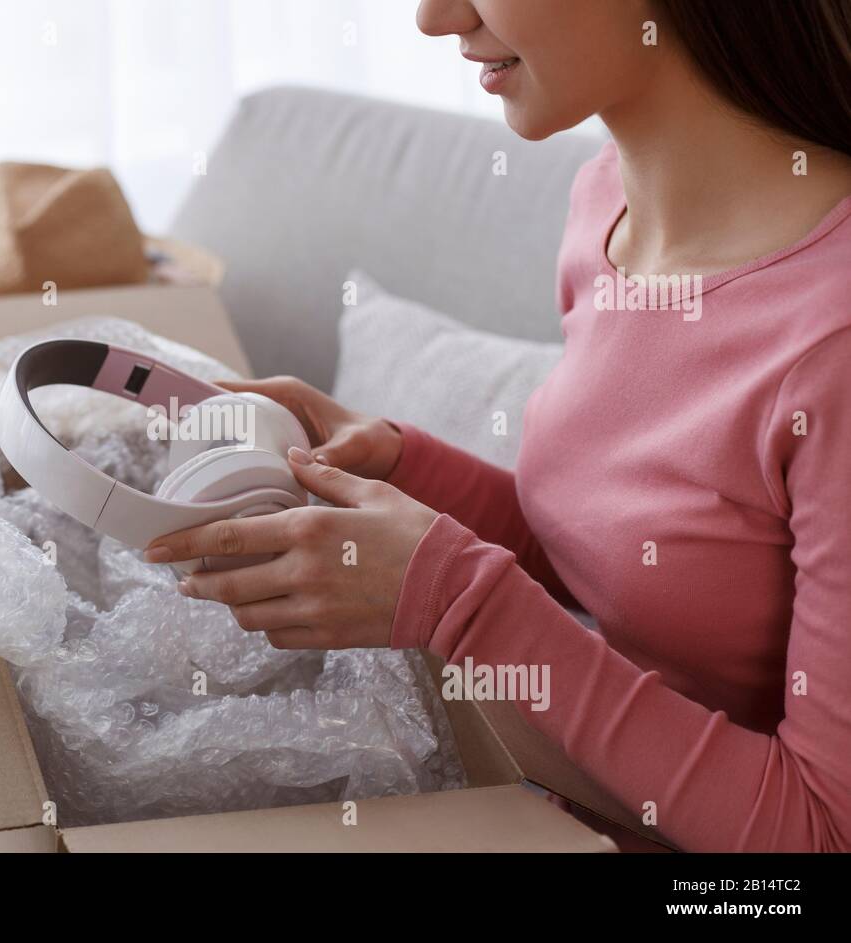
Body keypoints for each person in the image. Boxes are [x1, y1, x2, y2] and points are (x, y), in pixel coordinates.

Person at [144, 0, 851, 852]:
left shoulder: (832, 342)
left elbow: (821, 834)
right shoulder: (607, 205)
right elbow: (630, 572)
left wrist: (457, 599)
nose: (435, 17)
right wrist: (406, 465)